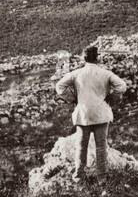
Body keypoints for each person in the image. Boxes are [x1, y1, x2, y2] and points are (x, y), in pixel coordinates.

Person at [54, 46, 129, 177]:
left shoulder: (76, 73)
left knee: (81, 146)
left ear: (84, 58)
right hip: (101, 113)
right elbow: (122, 86)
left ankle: (79, 175)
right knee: (101, 146)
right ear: (97, 58)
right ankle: (102, 177)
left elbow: (59, 86)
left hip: (83, 114)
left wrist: (73, 98)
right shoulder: (105, 73)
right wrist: (112, 96)